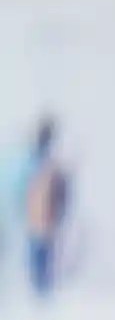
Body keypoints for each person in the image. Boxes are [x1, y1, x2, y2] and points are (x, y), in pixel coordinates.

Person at [22, 116, 70, 298]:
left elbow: (60, 194)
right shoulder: (42, 163)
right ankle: (40, 290)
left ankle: (41, 290)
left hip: (43, 219)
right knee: (39, 256)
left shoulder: (47, 164)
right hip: (39, 218)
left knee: (41, 256)